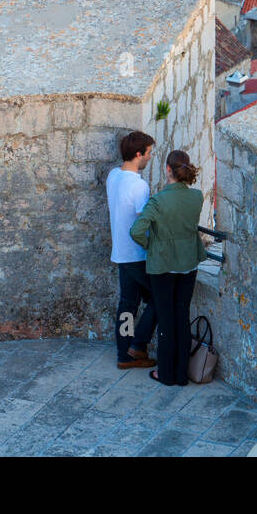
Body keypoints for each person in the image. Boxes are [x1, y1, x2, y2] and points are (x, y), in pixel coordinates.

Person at [130, 150, 206, 387]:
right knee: (182, 316)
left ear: (168, 170)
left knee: (165, 318)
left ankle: (166, 374)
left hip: (162, 266)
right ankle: (181, 374)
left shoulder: (158, 201)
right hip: (188, 264)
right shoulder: (197, 197)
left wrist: (152, 246)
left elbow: (136, 231)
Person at [106, 131, 158, 371]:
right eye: (148, 153)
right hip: (137, 254)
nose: (150, 158)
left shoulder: (113, 176)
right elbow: (143, 221)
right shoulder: (139, 186)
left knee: (127, 305)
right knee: (160, 298)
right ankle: (138, 344)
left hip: (121, 252)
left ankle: (123, 354)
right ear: (138, 154)